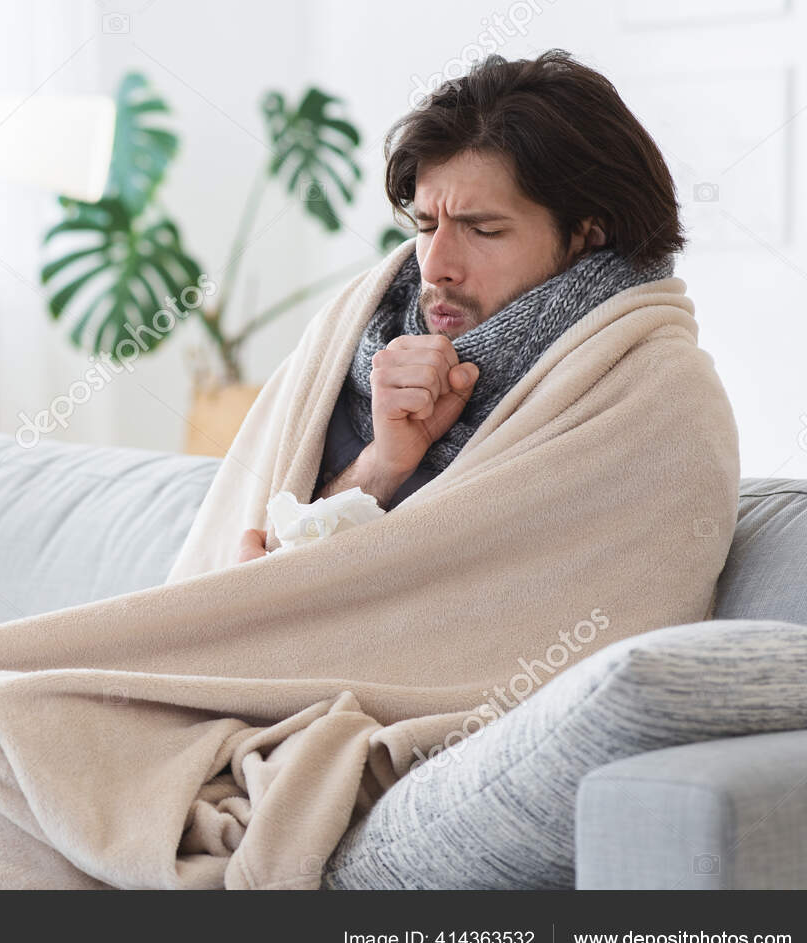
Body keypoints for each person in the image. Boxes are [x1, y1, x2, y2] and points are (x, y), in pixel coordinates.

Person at [238, 50, 684, 563]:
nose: (435, 267)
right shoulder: (350, 337)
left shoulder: (652, 393)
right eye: (427, 226)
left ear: (587, 235)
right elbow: (254, 560)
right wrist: (382, 467)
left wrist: (271, 589)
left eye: (483, 230)